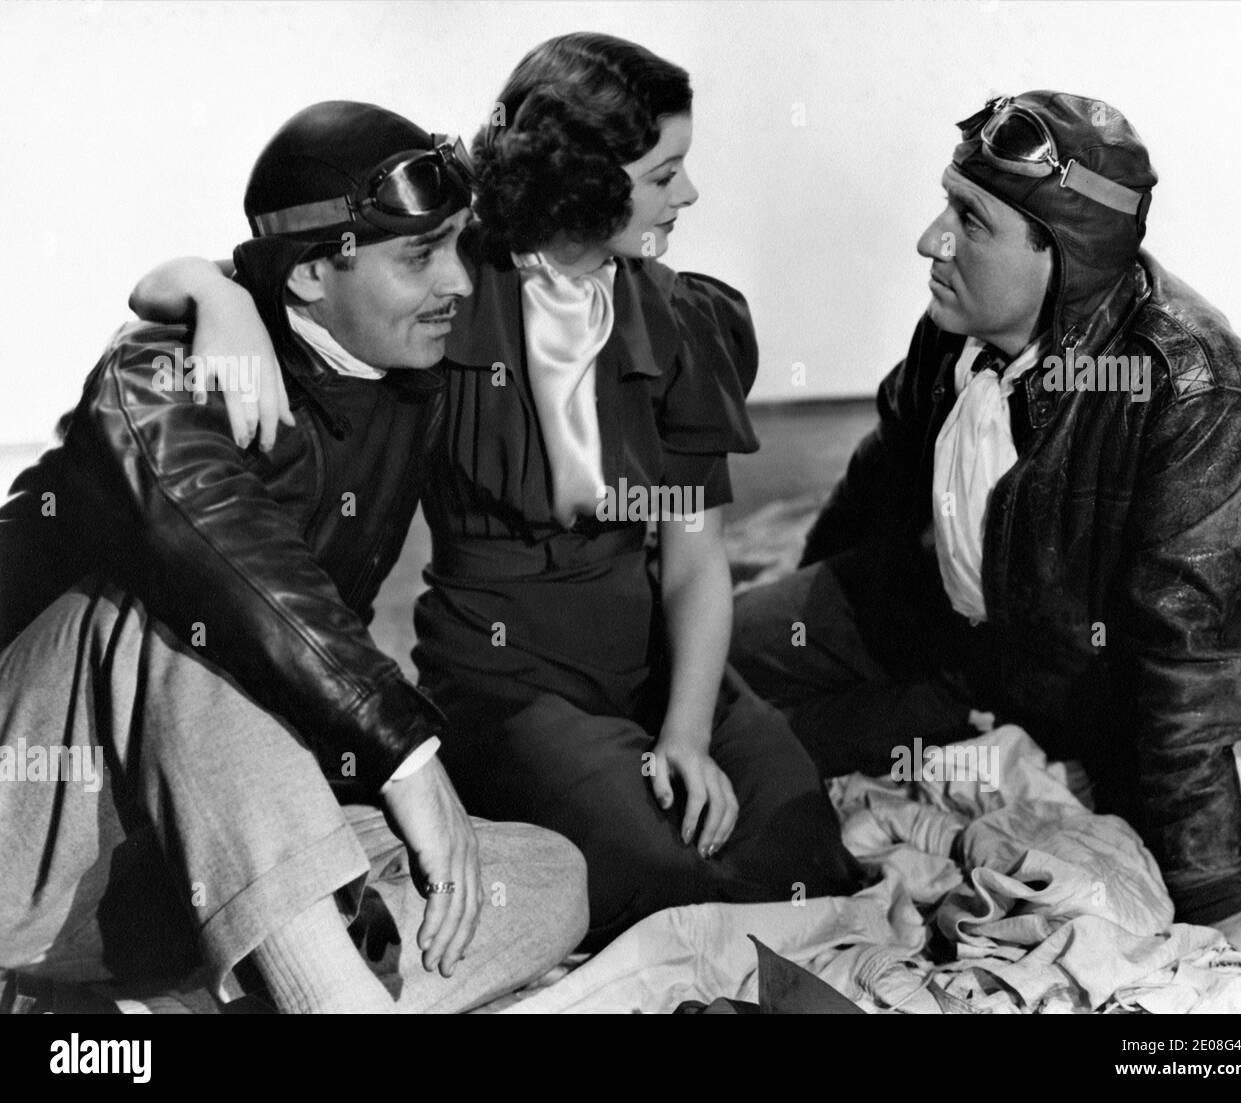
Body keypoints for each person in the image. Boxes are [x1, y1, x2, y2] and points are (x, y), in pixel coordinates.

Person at [131, 34, 862, 952]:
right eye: (666, 173)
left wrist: (685, 728)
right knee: (660, 880)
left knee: (802, 843)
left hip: (652, 667)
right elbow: (279, 269)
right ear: (587, 180)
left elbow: (693, 562)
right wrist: (216, 291)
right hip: (504, 683)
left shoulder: (681, 321)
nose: (689, 195)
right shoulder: (444, 288)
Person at [0, 100, 587, 1014]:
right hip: (31, 819)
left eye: (458, 247)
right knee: (196, 610)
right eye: (419, 256)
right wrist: (406, 749)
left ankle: (276, 985)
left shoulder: (404, 387)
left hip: (170, 863)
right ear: (313, 273)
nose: (460, 284)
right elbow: (211, 540)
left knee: (544, 873)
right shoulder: (169, 364)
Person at [728, 91, 1241, 959]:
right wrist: (801, 615)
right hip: (940, 625)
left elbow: (1189, 666)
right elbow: (879, 481)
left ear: (1059, 255)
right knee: (691, 681)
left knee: (749, 768)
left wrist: (1213, 894)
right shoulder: (958, 325)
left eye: (969, 219)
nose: (931, 240)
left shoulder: (1198, 401)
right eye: (943, 203)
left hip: (1075, 693)